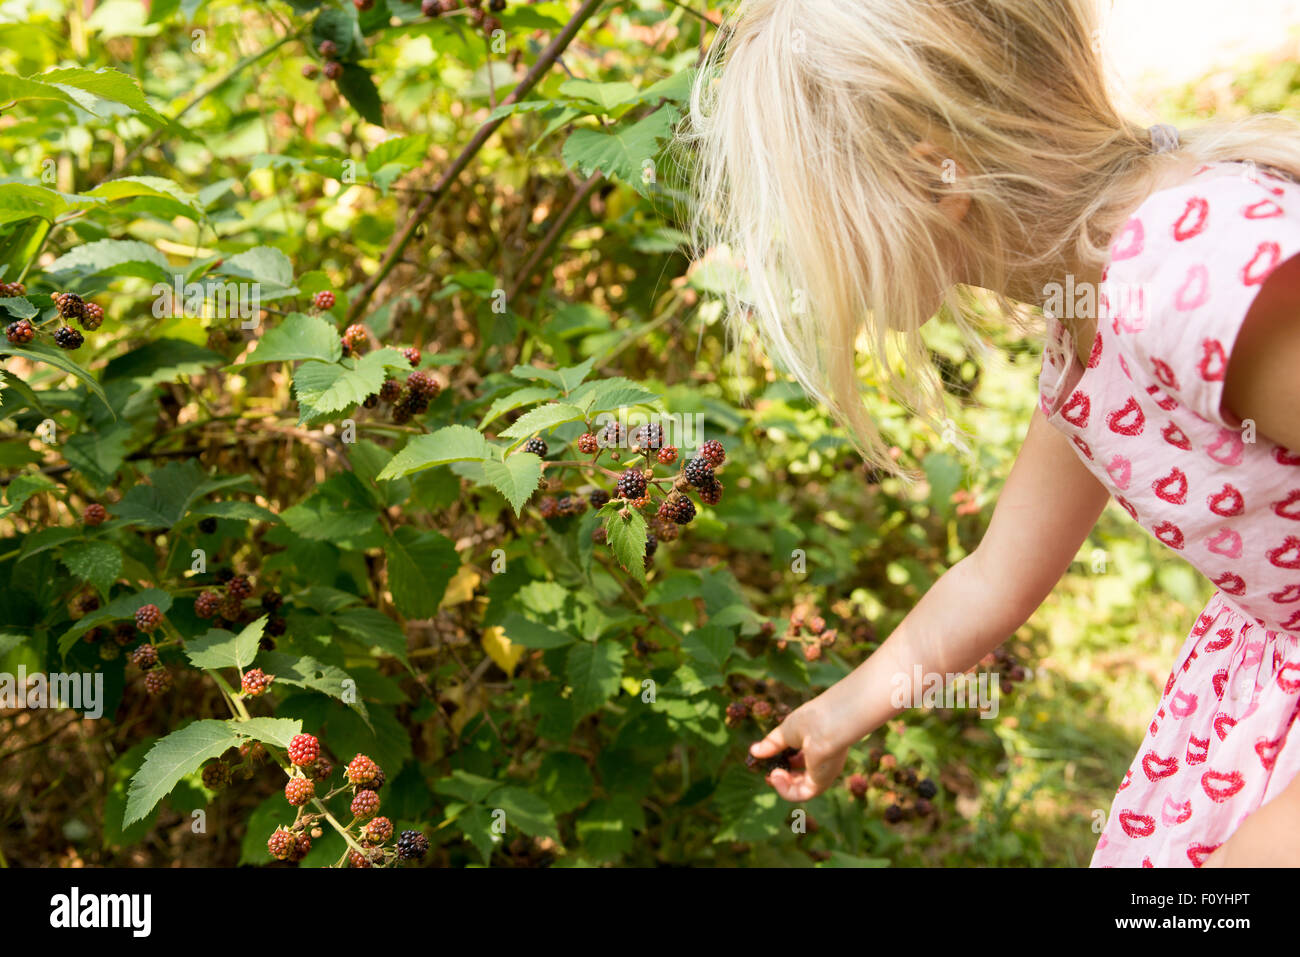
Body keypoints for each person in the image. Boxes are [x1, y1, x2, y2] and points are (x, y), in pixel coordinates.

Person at [685, 0, 1300, 867]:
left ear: (938, 181)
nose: (801, 247)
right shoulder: (1083, 326)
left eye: (814, 207)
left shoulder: (1190, 276)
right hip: (1260, 699)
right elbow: (993, 574)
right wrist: (842, 710)